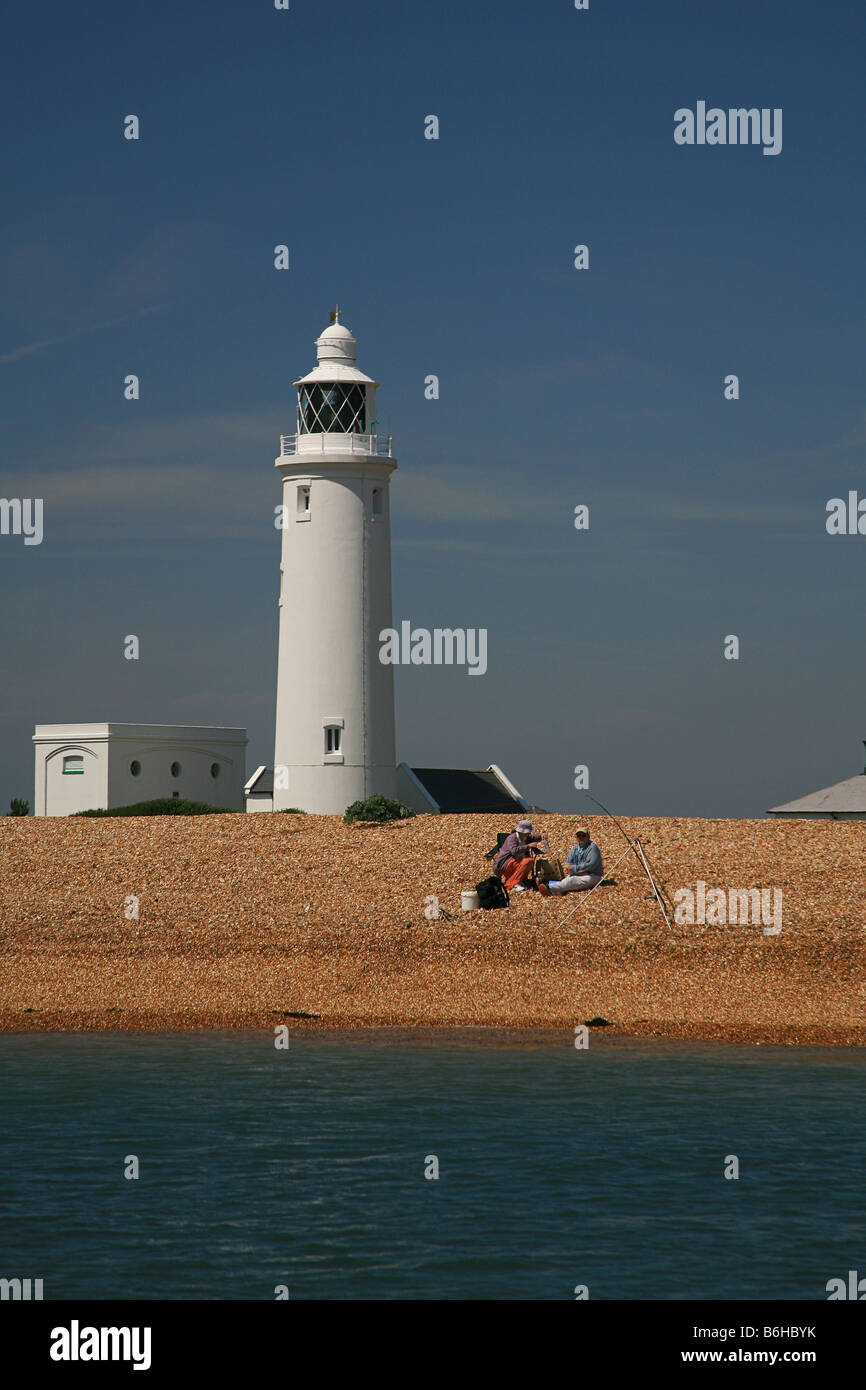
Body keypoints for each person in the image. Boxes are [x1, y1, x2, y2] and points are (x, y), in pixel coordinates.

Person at [542, 829, 603, 896]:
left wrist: (574, 868)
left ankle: (549, 887)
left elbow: (591, 865)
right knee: (566, 881)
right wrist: (573, 869)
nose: (581, 837)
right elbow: (568, 863)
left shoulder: (593, 847)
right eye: (579, 836)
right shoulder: (574, 848)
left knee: (571, 881)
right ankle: (554, 891)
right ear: (576, 837)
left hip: (592, 875)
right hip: (576, 873)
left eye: (583, 835)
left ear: (588, 836)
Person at [493, 819, 544, 892]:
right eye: (528, 832)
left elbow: (533, 838)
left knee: (529, 861)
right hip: (504, 864)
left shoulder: (524, 837)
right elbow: (514, 851)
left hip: (514, 862)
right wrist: (528, 846)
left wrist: (541, 836)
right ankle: (512, 884)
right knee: (528, 861)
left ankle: (518, 880)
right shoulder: (512, 838)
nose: (529, 834)